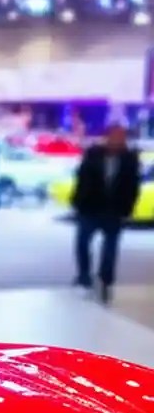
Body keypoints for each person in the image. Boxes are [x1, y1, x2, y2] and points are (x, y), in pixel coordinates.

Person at [72, 124, 141, 304]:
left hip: (114, 209)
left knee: (110, 247)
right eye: (115, 136)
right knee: (82, 242)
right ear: (107, 137)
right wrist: (78, 202)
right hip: (90, 207)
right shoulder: (93, 154)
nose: (119, 140)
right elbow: (81, 178)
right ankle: (84, 276)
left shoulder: (130, 158)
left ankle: (105, 280)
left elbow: (134, 185)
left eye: (122, 137)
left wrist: (128, 208)